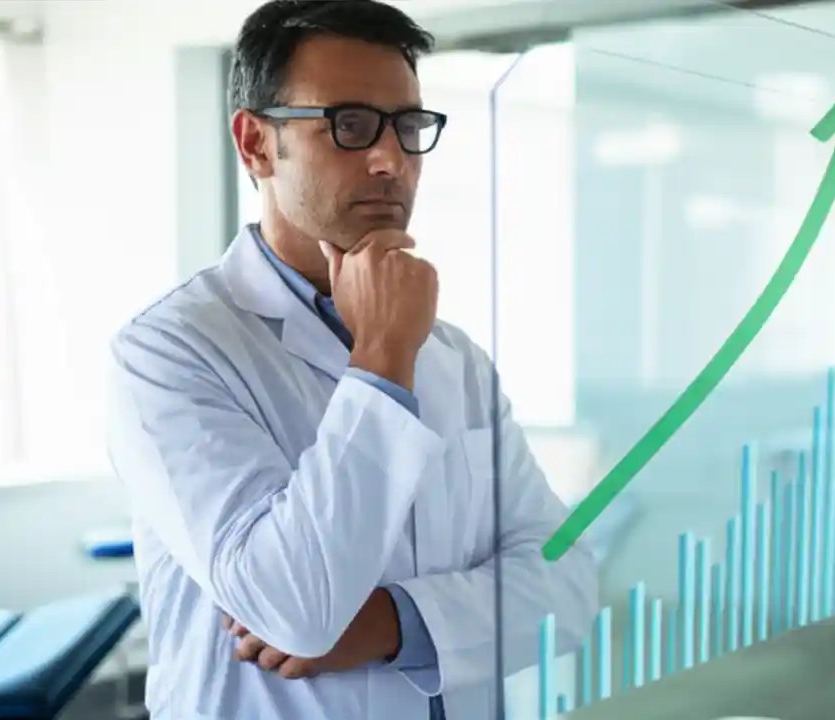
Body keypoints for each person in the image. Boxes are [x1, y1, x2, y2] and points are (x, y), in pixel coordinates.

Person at [105, 1, 598, 718]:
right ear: (256, 144)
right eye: (351, 124)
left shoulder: (455, 357)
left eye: (407, 126)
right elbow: (294, 608)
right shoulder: (169, 352)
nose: (391, 160)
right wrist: (382, 360)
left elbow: (568, 585)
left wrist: (394, 624)